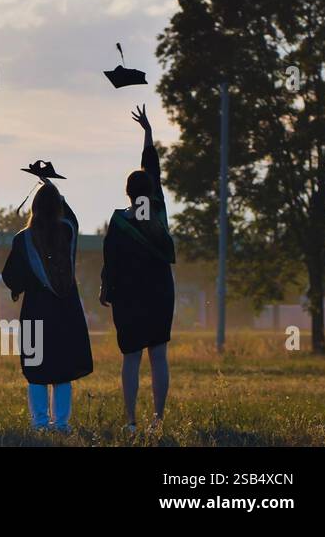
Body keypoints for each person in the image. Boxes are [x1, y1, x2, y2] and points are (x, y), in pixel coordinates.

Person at [100, 106, 175, 431]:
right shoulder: (157, 211)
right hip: (159, 293)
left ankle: (131, 421)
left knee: (131, 357)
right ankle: (157, 420)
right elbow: (152, 169)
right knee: (158, 355)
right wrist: (147, 132)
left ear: (128, 193)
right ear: (152, 191)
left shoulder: (118, 222)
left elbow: (110, 262)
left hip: (129, 297)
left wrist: (107, 289)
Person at [2, 181, 93, 432]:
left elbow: (11, 275)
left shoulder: (24, 239)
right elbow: (73, 217)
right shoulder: (68, 231)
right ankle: (61, 423)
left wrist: (17, 288)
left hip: (36, 309)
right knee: (62, 368)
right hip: (66, 310)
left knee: (36, 368)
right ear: (58, 207)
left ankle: (40, 422)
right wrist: (51, 184)